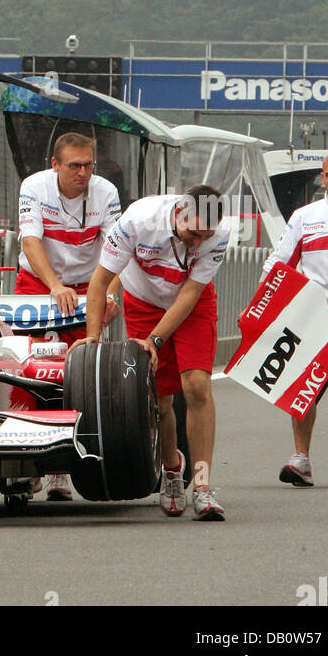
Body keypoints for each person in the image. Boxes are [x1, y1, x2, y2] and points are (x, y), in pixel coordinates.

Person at [77, 184, 228, 521]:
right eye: (193, 232)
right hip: (143, 300)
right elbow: (100, 282)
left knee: (197, 386)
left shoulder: (220, 233)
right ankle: (172, 470)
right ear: (178, 213)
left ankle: (202, 485)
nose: (199, 242)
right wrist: (92, 336)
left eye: (206, 235)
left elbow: (190, 295)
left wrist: (157, 340)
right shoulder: (137, 220)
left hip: (191, 303)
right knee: (160, 398)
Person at [16, 131, 122, 501]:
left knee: (80, 375)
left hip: (87, 287)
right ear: (55, 165)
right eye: (74, 165)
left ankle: (61, 469)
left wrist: (109, 294)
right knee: (25, 370)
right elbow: (30, 241)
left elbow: (116, 249)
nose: (83, 173)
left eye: (88, 165)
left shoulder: (106, 192)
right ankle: (22, 465)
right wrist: (54, 286)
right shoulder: (34, 186)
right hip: (38, 282)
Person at [259, 149, 328, 489]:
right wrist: (260, 309)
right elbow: (277, 265)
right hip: (312, 312)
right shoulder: (303, 216)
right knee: (302, 387)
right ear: (321, 177)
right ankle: (300, 459)